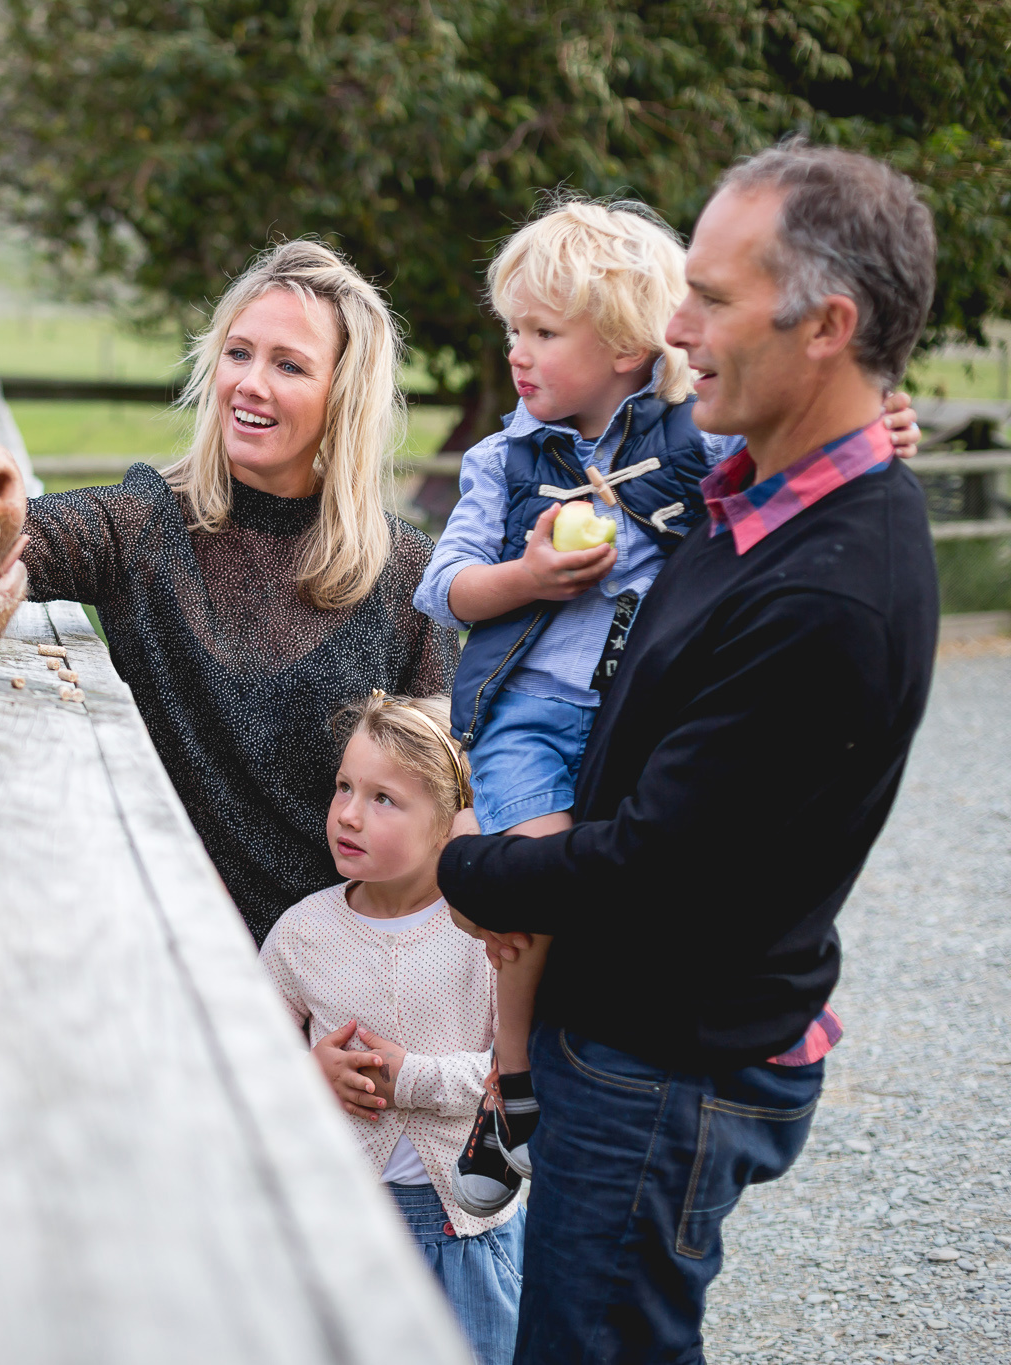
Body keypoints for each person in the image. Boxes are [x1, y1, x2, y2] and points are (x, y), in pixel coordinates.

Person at [438, 142, 941, 1362]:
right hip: (629, 1036)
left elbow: (653, 864)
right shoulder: (750, 505)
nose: (675, 323)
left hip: (660, 1060)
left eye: (710, 297)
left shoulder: (829, 591)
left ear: (825, 326)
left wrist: (466, 868)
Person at [22, 241, 456, 943]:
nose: (250, 383)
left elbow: (447, 803)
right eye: (238, 353)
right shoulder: (145, 527)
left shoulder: (404, 572)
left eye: (288, 364)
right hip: (176, 951)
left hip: (345, 976)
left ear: (342, 394)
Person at [259, 692, 519, 1365]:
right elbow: (246, 1063)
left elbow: (521, 1073)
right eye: (345, 786)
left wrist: (414, 1078)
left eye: (383, 799)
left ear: (447, 820)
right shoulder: (301, 935)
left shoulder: (484, 934)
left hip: (470, 1229)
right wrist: (307, 1073)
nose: (347, 813)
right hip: (340, 1224)